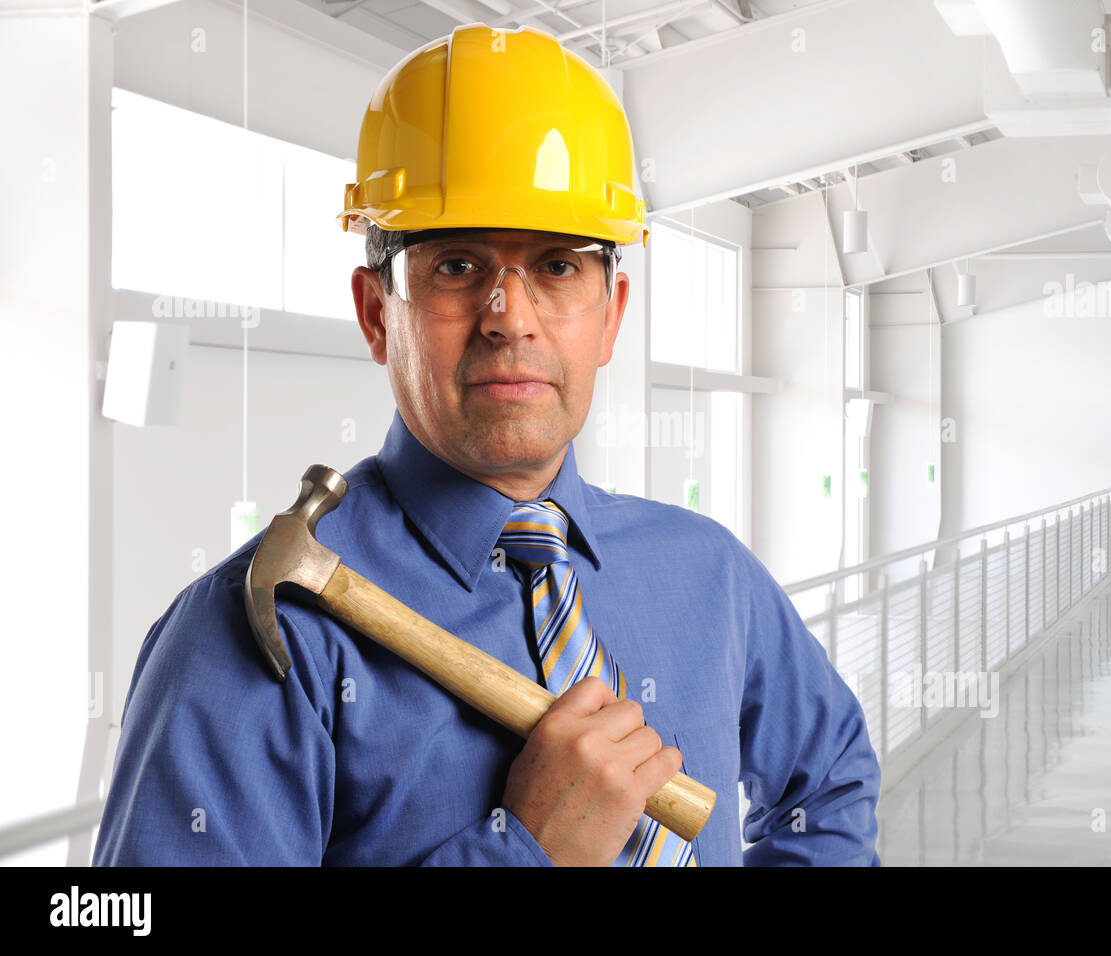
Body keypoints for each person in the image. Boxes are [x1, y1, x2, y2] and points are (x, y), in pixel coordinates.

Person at [93, 22, 882, 867]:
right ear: (374, 313)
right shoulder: (244, 641)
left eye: (557, 266)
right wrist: (527, 851)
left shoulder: (710, 576)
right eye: (459, 266)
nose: (510, 318)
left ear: (611, 314)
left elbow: (830, 783)